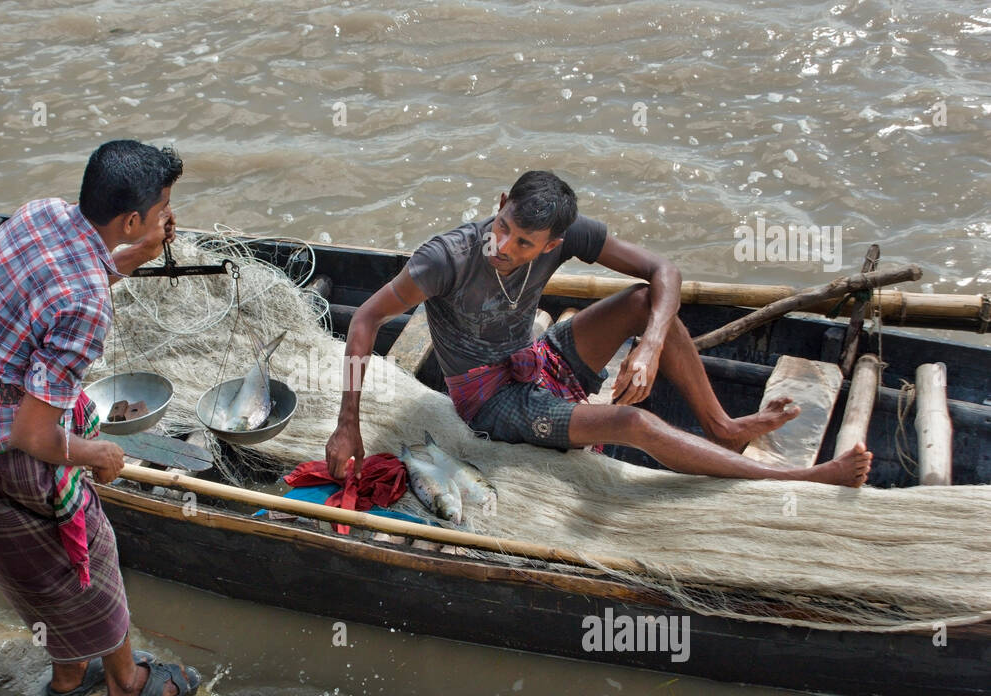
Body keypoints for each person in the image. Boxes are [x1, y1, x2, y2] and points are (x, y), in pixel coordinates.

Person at [326, 170, 872, 487]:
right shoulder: (444, 259)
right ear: (499, 206)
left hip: (535, 358)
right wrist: (347, 424)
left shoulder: (571, 234)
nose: (505, 247)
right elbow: (368, 320)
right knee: (632, 422)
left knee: (644, 301)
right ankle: (801, 480)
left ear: (553, 244)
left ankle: (724, 429)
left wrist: (652, 344)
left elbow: (665, 273)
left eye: (524, 243)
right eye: (503, 227)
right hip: (489, 399)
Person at [0, 140, 200, 696]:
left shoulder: (40, 212)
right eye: (161, 209)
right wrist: (96, 451)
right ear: (130, 218)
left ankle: (69, 674)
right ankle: (125, 687)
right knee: (87, 552)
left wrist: (138, 253)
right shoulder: (86, 303)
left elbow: (68, 280)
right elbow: (33, 433)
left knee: (32, 555)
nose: (164, 219)